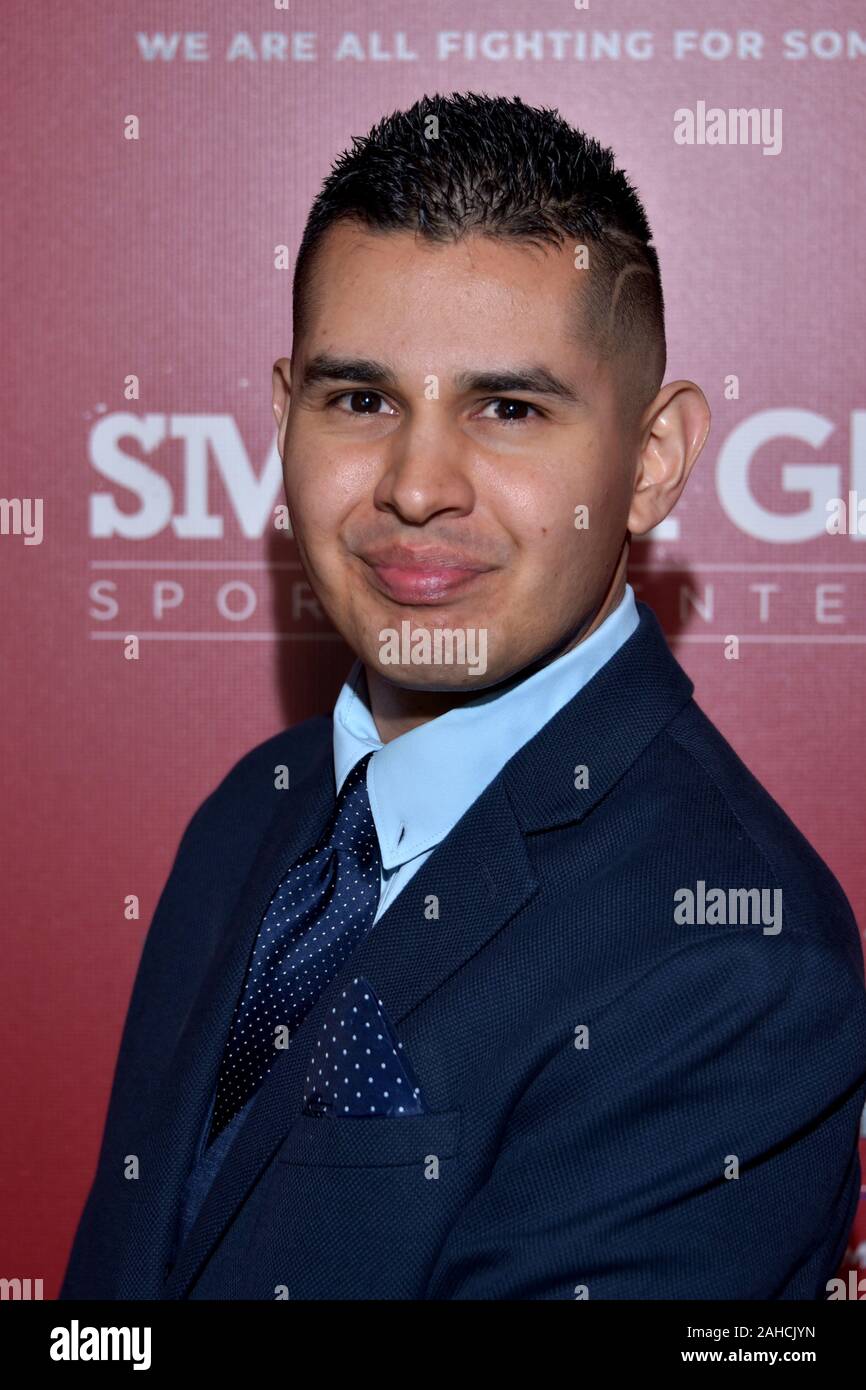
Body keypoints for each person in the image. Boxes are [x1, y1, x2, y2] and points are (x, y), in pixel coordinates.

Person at [61, 91, 866, 1300]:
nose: (417, 484)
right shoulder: (250, 816)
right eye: (361, 399)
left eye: (506, 408)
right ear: (284, 416)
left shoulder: (735, 964)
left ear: (649, 463)